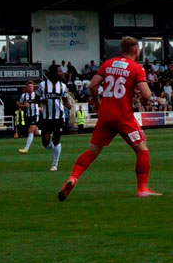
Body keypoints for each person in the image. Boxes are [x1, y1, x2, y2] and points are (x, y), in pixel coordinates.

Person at [60, 37, 160, 201]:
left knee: (92, 151)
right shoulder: (136, 68)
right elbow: (147, 94)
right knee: (142, 150)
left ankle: (73, 177)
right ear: (136, 50)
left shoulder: (108, 64)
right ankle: (142, 188)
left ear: (121, 50)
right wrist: (144, 101)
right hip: (123, 116)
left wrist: (98, 104)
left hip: (105, 114)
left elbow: (92, 86)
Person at [35, 65, 72, 172]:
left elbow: (65, 100)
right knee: (45, 142)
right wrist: (42, 100)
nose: (62, 73)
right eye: (59, 71)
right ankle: (55, 150)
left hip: (59, 117)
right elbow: (36, 99)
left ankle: (54, 164)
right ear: (53, 73)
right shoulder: (43, 85)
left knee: (56, 139)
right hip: (47, 117)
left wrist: (68, 105)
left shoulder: (62, 86)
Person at [15, 81, 42, 154]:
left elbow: (41, 101)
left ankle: (26, 148)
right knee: (36, 132)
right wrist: (23, 106)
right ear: (26, 87)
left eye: (31, 86)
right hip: (28, 115)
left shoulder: (36, 94)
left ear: (33, 87)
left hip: (35, 114)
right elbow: (18, 103)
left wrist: (41, 108)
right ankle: (48, 132)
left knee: (30, 131)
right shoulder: (24, 96)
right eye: (29, 86)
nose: (30, 88)